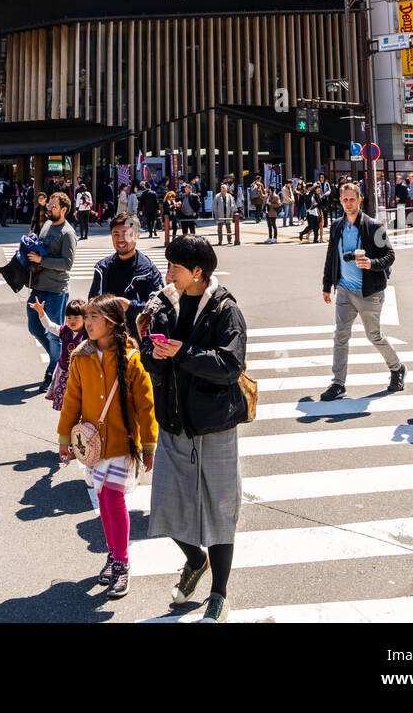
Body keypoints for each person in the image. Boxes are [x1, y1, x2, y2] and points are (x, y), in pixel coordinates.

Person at [138, 235, 247, 624]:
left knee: (220, 510)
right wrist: (149, 346)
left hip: (215, 424)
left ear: (197, 272)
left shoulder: (225, 310)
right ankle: (195, 560)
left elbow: (230, 365)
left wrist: (181, 351)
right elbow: (154, 363)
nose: (168, 274)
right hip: (172, 421)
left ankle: (219, 593)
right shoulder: (165, 303)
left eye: (175, 268)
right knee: (165, 507)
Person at [58, 295, 157, 599]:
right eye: (86, 316)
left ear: (112, 323)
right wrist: (64, 440)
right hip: (93, 446)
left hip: (123, 444)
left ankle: (122, 563)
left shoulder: (130, 358)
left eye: (94, 317)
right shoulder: (80, 357)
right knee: (102, 500)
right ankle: (113, 555)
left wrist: (149, 443)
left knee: (113, 499)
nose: (87, 322)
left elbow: (145, 403)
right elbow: (71, 400)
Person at [320, 180, 406, 402]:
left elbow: (390, 255)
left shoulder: (374, 226)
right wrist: (327, 285)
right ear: (340, 201)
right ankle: (338, 383)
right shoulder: (337, 226)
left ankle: (397, 368)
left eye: (352, 199)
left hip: (369, 292)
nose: (348, 203)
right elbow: (331, 256)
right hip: (344, 290)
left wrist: (372, 264)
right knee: (340, 335)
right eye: (345, 199)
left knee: (374, 335)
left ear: (360, 200)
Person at [26, 191, 77, 387]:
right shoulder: (46, 225)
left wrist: (42, 260)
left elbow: (67, 263)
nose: (49, 209)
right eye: (49, 206)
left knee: (54, 334)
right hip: (38, 286)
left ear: (64, 210)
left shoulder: (68, 233)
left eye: (53, 207)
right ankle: (63, 359)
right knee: (35, 327)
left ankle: (53, 372)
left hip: (56, 290)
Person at [88, 213, 164, 340]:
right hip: (105, 342)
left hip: (136, 344)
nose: (120, 239)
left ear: (137, 235)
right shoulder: (102, 268)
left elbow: (159, 308)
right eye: (116, 234)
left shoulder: (149, 271)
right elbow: (91, 304)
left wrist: (130, 306)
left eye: (127, 234)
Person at [30, 297, 86, 408]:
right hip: (64, 371)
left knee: (79, 401)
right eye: (69, 318)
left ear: (85, 319)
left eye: (76, 317)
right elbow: (49, 326)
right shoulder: (65, 331)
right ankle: (67, 419)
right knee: (66, 403)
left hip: (80, 374)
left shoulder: (87, 334)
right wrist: (41, 312)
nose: (72, 321)